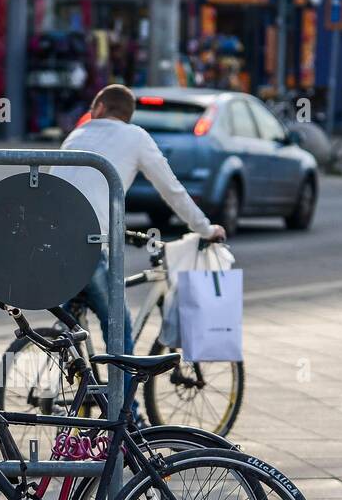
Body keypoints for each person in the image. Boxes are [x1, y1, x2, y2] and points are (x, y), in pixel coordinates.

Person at [49, 84, 225, 371]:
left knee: (71, 323)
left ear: (101, 108)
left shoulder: (78, 133)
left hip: (51, 239)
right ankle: (126, 410)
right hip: (87, 242)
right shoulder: (136, 137)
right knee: (118, 325)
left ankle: (63, 392)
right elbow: (172, 190)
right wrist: (205, 229)